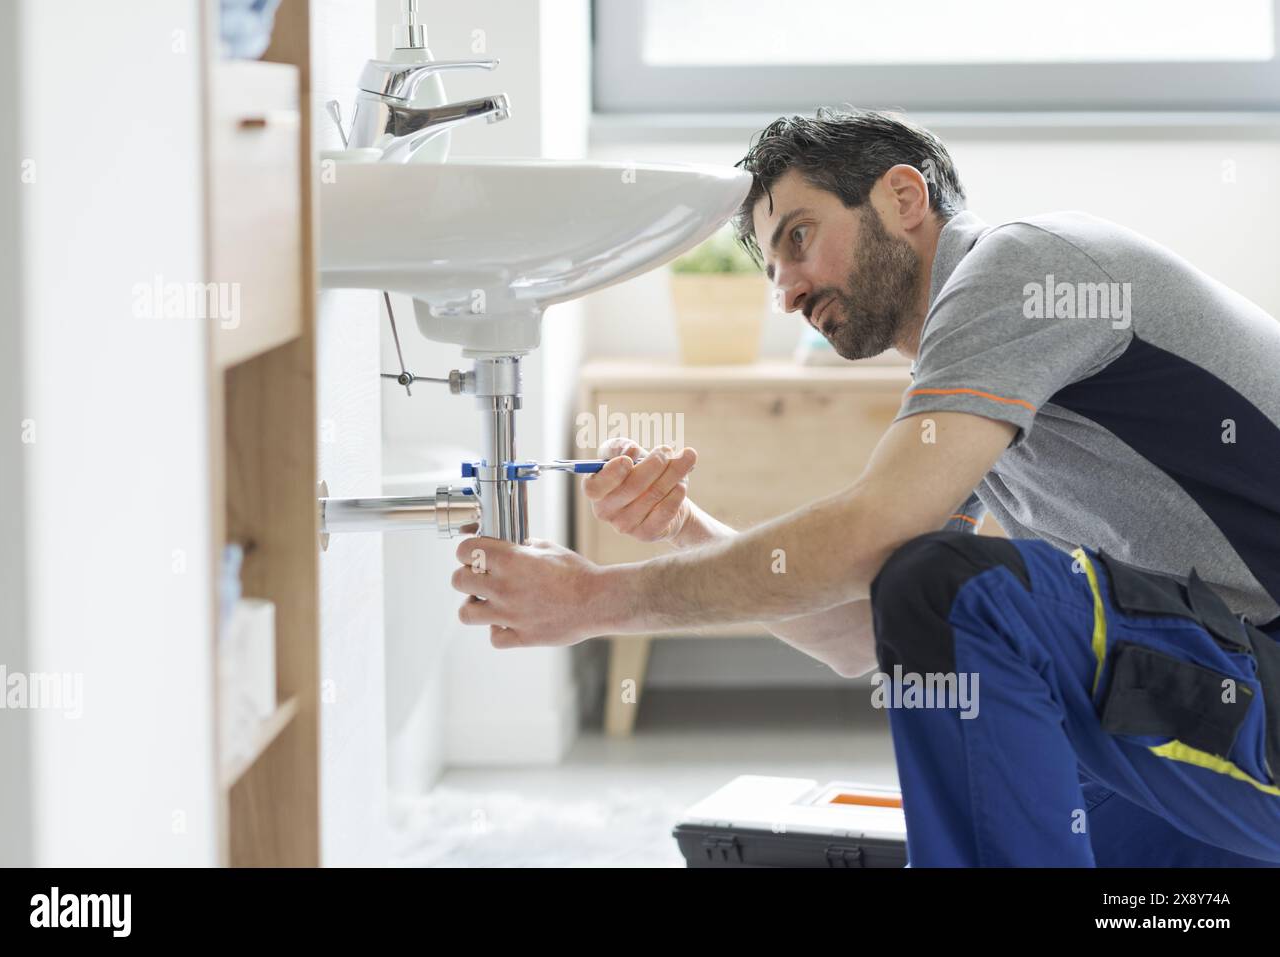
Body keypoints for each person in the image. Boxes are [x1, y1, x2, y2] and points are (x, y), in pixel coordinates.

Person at [450, 107, 1280, 866]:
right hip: (1227, 691)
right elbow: (860, 631)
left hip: (1255, 684)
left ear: (903, 195)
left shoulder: (1020, 269)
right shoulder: (988, 393)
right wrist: (684, 526)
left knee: (958, 592)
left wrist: (596, 599)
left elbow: (880, 548)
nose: (788, 292)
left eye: (800, 238)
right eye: (775, 271)